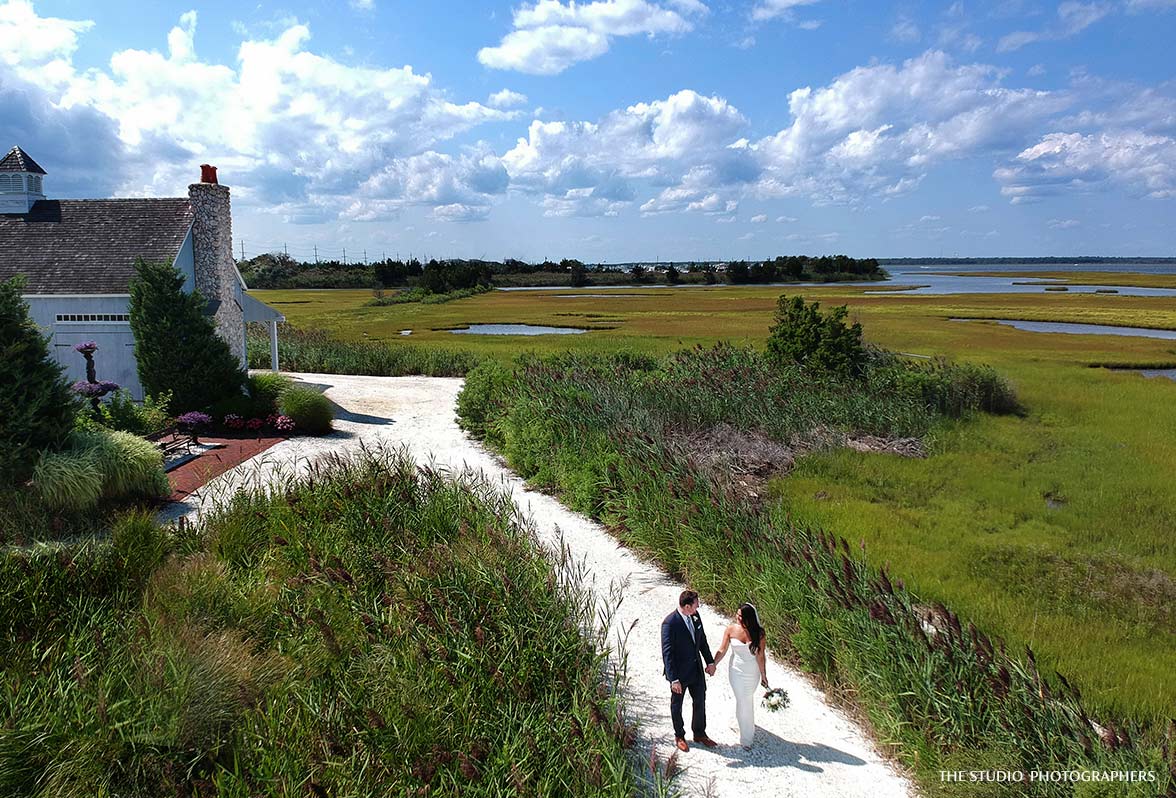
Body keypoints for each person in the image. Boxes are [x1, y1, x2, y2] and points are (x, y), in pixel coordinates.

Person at [661, 590, 718, 752]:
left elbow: (702, 641)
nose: (698, 606)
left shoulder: (695, 616)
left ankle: (699, 733)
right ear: (687, 606)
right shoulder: (670, 623)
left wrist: (710, 661)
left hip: (696, 670)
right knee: (677, 704)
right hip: (679, 674)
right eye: (696, 604)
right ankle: (679, 735)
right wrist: (674, 679)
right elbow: (667, 653)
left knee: (700, 700)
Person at [713, 602, 769, 749]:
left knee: (746, 699)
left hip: (752, 672)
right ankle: (747, 738)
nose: (737, 618)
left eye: (741, 616)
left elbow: (761, 656)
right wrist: (713, 664)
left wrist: (763, 675)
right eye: (737, 615)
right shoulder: (731, 629)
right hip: (736, 671)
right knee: (743, 699)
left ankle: (743, 723)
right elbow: (722, 649)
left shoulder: (760, 633)